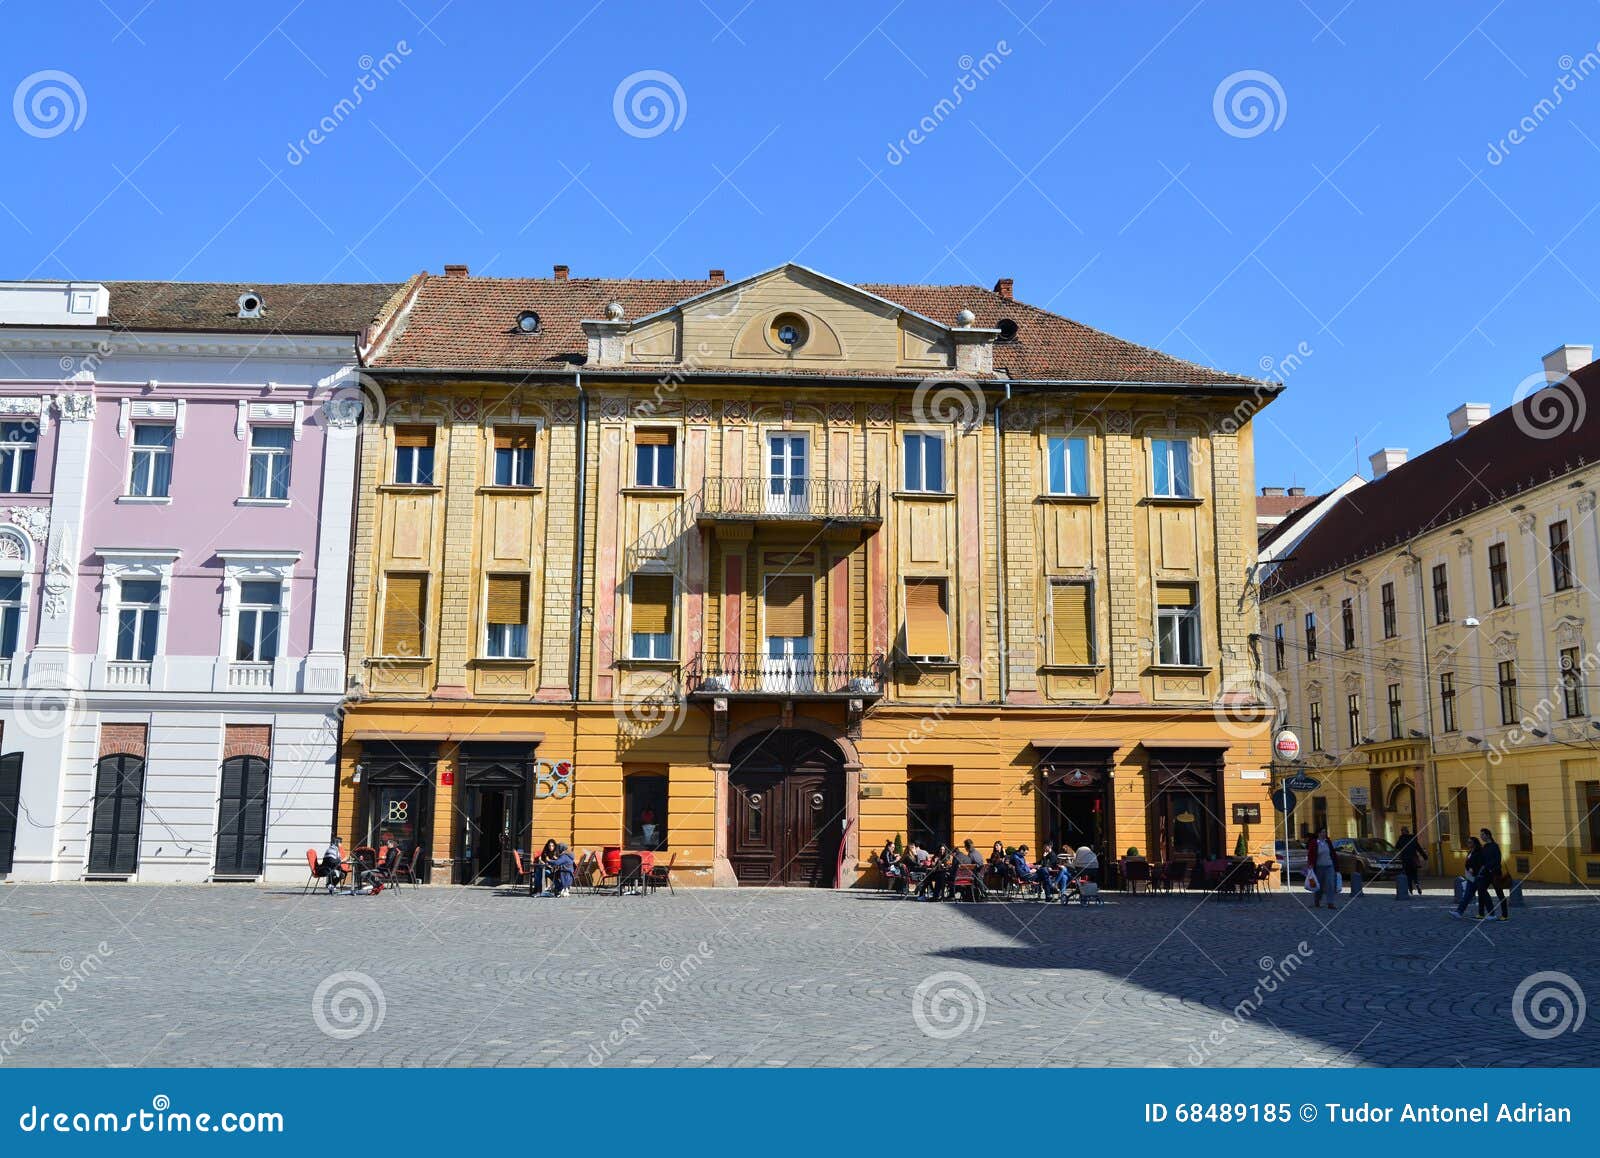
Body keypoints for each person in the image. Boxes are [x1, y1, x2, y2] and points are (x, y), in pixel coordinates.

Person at [1452, 836, 1487, 919]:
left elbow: (1480, 863)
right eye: (1468, 842)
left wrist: (1473, 869)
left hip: (1477, 876)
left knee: (1483, 895)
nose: (1468, 844)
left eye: (1470, 842)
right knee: (1468, 895)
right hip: (1470, 877)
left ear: (1475, 843)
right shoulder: (1471, 851)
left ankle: (1490, 913)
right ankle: (1459, 912)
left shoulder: (1479, 851)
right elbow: (1468, 862)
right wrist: (1468, 868)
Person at [1478, 828, 1508, 921]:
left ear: (1488, 835)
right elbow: (1482, 859)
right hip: (1486, 874)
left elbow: (1497, 860)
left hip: (1495, 873)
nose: (1481, 836)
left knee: (1500, 894)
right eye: (1481, 835)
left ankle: (1505, 915)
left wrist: (1486, 866)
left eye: (1482, 834)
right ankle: (1481, 913)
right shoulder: (1484, 847)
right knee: (1481, 890)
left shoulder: (1494, 846)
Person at [1306, 826, 1339, 910]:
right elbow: (1310, 855)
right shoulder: (1314, 842)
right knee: (1318, 885)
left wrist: (1336, 865)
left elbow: (1333, 853)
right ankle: (1317, 900)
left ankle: (1330, 903)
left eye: (1325, 832)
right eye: (1323, 832)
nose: (1324, 834)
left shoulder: (1328, 842)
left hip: (1329, 866)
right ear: (1319, 833)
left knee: (1330, 884)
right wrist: (1310, 865)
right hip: (1318, 867)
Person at [1395, 827, 1426, 895]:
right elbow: (1419, 848)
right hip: (1413, 859)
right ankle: (1417, 884)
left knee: (1408, 875)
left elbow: (1396, 847)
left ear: (1402, 832)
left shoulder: (1401, 838)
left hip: (1405, 859)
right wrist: (1425, 856)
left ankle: (1410, 889)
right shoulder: (1413, 838)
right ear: (1408, 831)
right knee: (1414, 873)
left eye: (1401, 831)